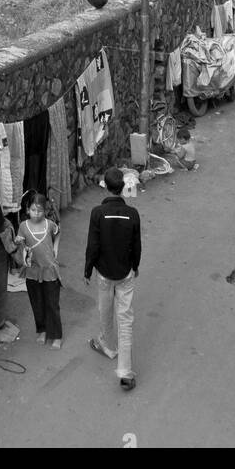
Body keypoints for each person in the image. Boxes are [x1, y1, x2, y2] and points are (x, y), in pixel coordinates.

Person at [84, 166, 141, 390]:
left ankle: (107, 345)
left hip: (104, 273)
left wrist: (87, 270)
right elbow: (136, 246)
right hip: (125, 273)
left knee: (105, 309)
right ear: (123, 188)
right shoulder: (132, 214)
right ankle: (125, 372)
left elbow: (93, 245)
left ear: (105, 187)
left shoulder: (98, 213)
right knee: (125, 320)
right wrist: (135, 266)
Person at [16, 191, 62, 348]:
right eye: (34, 210)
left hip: (49, 270)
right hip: (32, 271)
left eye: (40, 210)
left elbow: (58, 232)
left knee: (52, 304)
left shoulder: (49, 225)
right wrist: (19, 243)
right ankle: (42, 330)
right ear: (28, 209)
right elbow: (21, 244)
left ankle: (56, 336)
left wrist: (55, 248)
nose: (36, 214)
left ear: (45, 210)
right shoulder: (23, 226)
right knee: (37, 302)